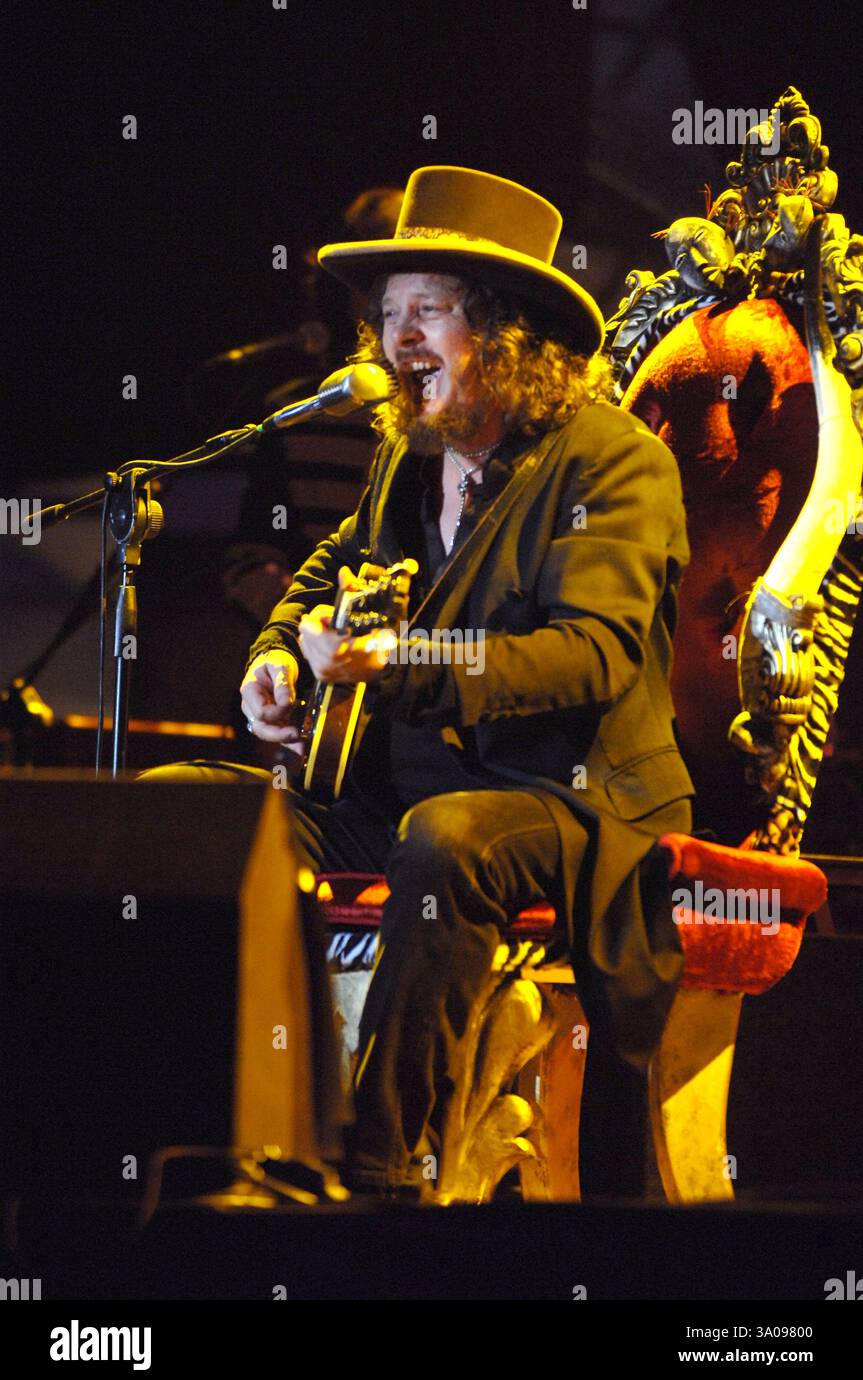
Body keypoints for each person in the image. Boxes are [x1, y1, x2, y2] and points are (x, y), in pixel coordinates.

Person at [146, 165, 696, 1197]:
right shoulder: (410, 459)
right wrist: (272, 657)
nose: (397, 338)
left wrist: (405, 665)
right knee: (182, 818)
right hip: (402, 787)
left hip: (569, 803)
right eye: (388, 312)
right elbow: (323, 567)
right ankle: (211, 1134)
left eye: (427, 310)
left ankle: (380, 1167)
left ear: (507, 330)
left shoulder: (612, 463)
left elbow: (590, 654)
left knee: (446, 842)